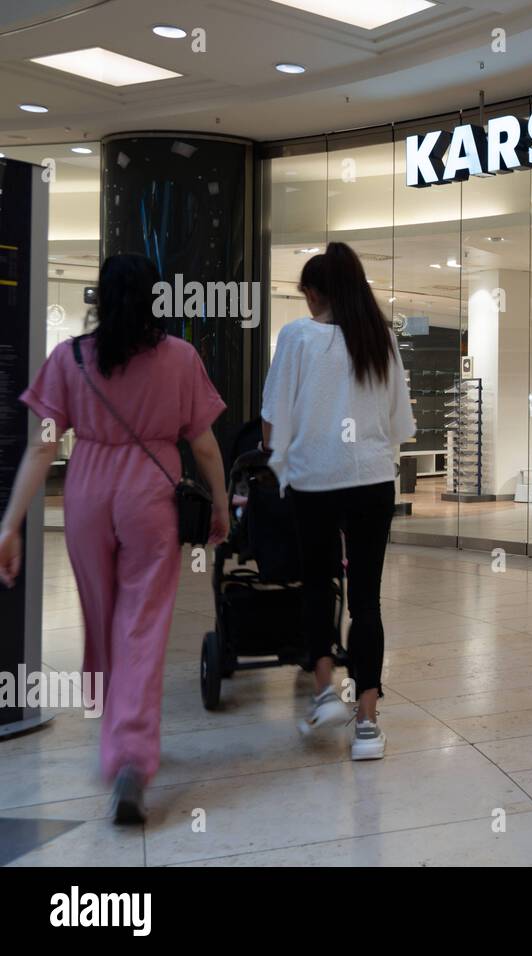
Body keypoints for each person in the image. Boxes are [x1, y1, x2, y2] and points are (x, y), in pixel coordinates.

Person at [0, 253, 229, 824]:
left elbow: (42, 446)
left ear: (99, 297)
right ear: (156, 298)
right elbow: (202, 445)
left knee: (103, 617)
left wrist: (9, 522)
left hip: (86, 495)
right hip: (150, 495)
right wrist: (222, 502)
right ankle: (130, 752)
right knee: (142, 626)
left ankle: (116, 724)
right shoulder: (179, 358)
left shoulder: (70, 358)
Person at [261, 241, 414, 760]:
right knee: (367, 599)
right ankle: (367, 724)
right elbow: (399, 425)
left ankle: (325, 692)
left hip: (313, 480)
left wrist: (281, 453)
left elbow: (271, 422)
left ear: (314, 292)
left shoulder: (297, 337)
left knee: (317, 583)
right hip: (371, 480)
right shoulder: (380, 338)